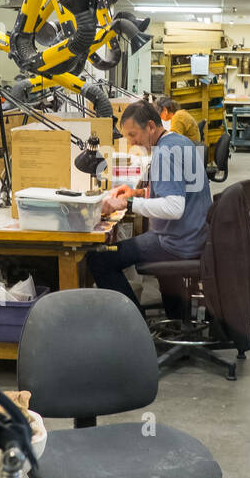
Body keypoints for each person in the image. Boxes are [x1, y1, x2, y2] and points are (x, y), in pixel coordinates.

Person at [88, 99, 212, 317]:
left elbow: (174, 207)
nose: (132, 142)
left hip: (175, 242)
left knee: (100, 259)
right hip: (194, 233)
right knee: (114, 252)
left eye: (134, 135)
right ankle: (176, 318)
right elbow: (179, 191)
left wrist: (128, 203)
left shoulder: (164, 153)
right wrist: (136, 193)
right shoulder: (180, 142)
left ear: (152, 127)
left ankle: (135, 324)